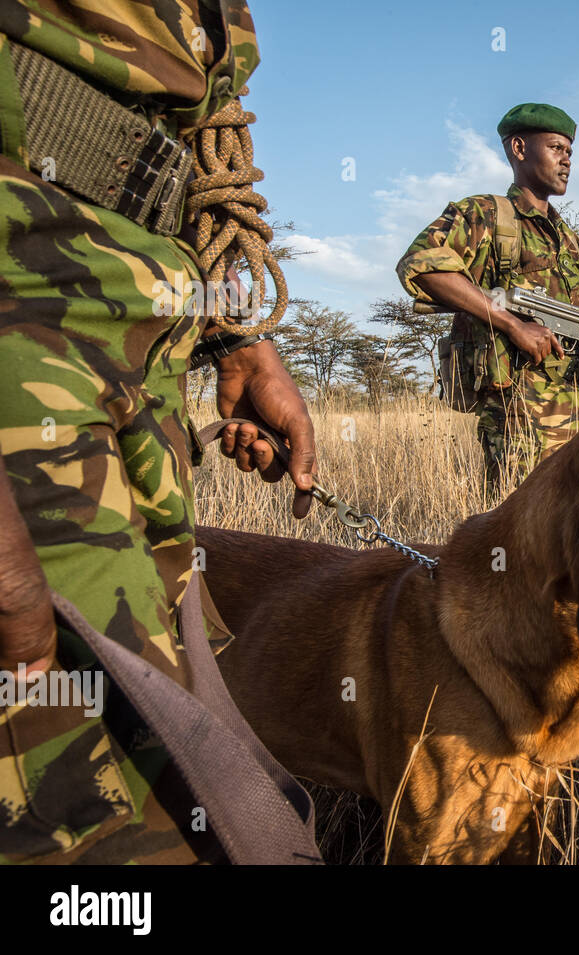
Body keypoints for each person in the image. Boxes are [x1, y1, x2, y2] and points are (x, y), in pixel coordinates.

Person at [0, 1, 317, 863]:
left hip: (148, 372)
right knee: (100, 843)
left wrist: (234, 333)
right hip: (19, 375)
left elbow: (199, 120)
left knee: (207, 805)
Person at [397, 103, 579, 486]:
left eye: (570, 153)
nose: (567, 161)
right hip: (521, 424)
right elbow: (422, 263)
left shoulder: (573, 243)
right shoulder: (488, 216)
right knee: (516, 539)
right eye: (556, 149)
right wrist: (513, 325)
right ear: (519, 148)